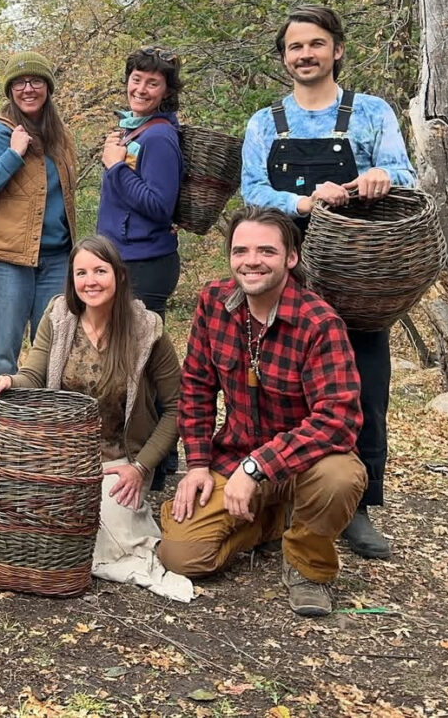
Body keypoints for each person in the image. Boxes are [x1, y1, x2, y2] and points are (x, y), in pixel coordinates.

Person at [241, 5, 416, 560]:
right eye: (295, 47)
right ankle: (288, 495)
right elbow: (252, 190)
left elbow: (404, 172)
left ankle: (356, 507)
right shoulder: (265, 122)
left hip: (359, 276)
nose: (305, 55)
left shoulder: (370, 112)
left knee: (364, 390)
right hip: (287, 272)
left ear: (336, 50)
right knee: (280, 385)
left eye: (316, 44)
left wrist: (378, 176)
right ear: (284, 58)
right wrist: (303, 199)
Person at [158, 206, 367, 618]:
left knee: (341, 477)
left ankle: (308, 567)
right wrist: (198, 463)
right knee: (181, 557)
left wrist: (257, 468)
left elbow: (338, 420)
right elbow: (197, 387)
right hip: (232, 459)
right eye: (241, 251)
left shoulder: (319, 323)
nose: (251, 261)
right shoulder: (213, 303)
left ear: (291, 257)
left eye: (266, 251)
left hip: (304, 465)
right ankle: (273, 519)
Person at [0, 235, 192, 601]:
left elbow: (177, 407)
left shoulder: (147, 330)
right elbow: (34, 376)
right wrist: (9, 380)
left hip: (116, 461)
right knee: (49, 532)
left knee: (109, 541)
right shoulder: (59, 317)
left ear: (119, 276)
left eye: (99, 271)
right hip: (61, 459)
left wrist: (140, 467)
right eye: (81, 273)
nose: (90, 281)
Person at [0, 51, 77, 379]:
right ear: (10, 91)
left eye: (36, 81)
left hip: (56, 260)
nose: (28, 89)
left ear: (48, 87)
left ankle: (44, 425)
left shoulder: (61, 137)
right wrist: (14, 153)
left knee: (54, 353)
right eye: (19, 83)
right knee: (2, 356)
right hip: (5, 259)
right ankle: (0, 427)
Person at [98, 46, 185, 318]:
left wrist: (116, 167)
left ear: (166, 92)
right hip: (123, 257)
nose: (141, 89)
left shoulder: (159, 136)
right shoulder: (134, 130)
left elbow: (159, 206)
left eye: (153, 83)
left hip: (144, 264)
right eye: (136, 79)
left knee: (140, 353)